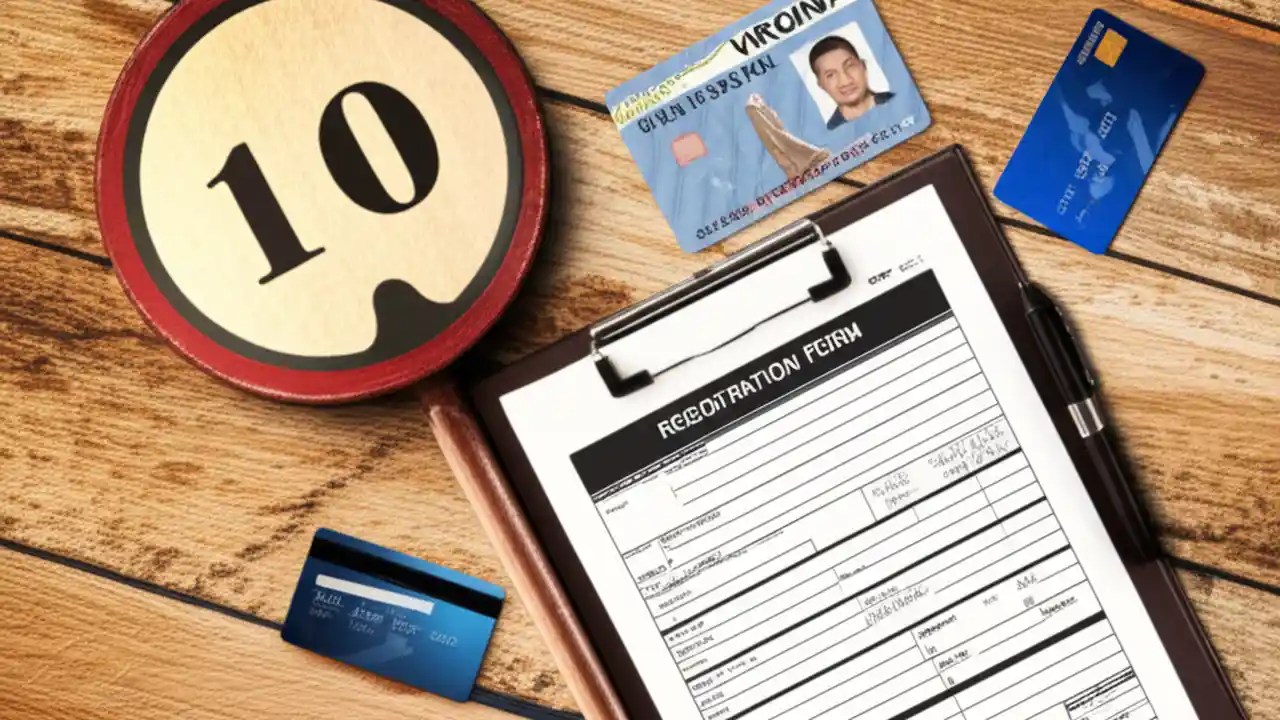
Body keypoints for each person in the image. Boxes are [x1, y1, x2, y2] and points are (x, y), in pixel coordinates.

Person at [808, 35, 894, 130]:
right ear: (821, 85)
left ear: (863, 66)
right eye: (830, 75)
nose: (845, 81)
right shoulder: (830, 134)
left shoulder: (897, 101)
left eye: (850, 66)